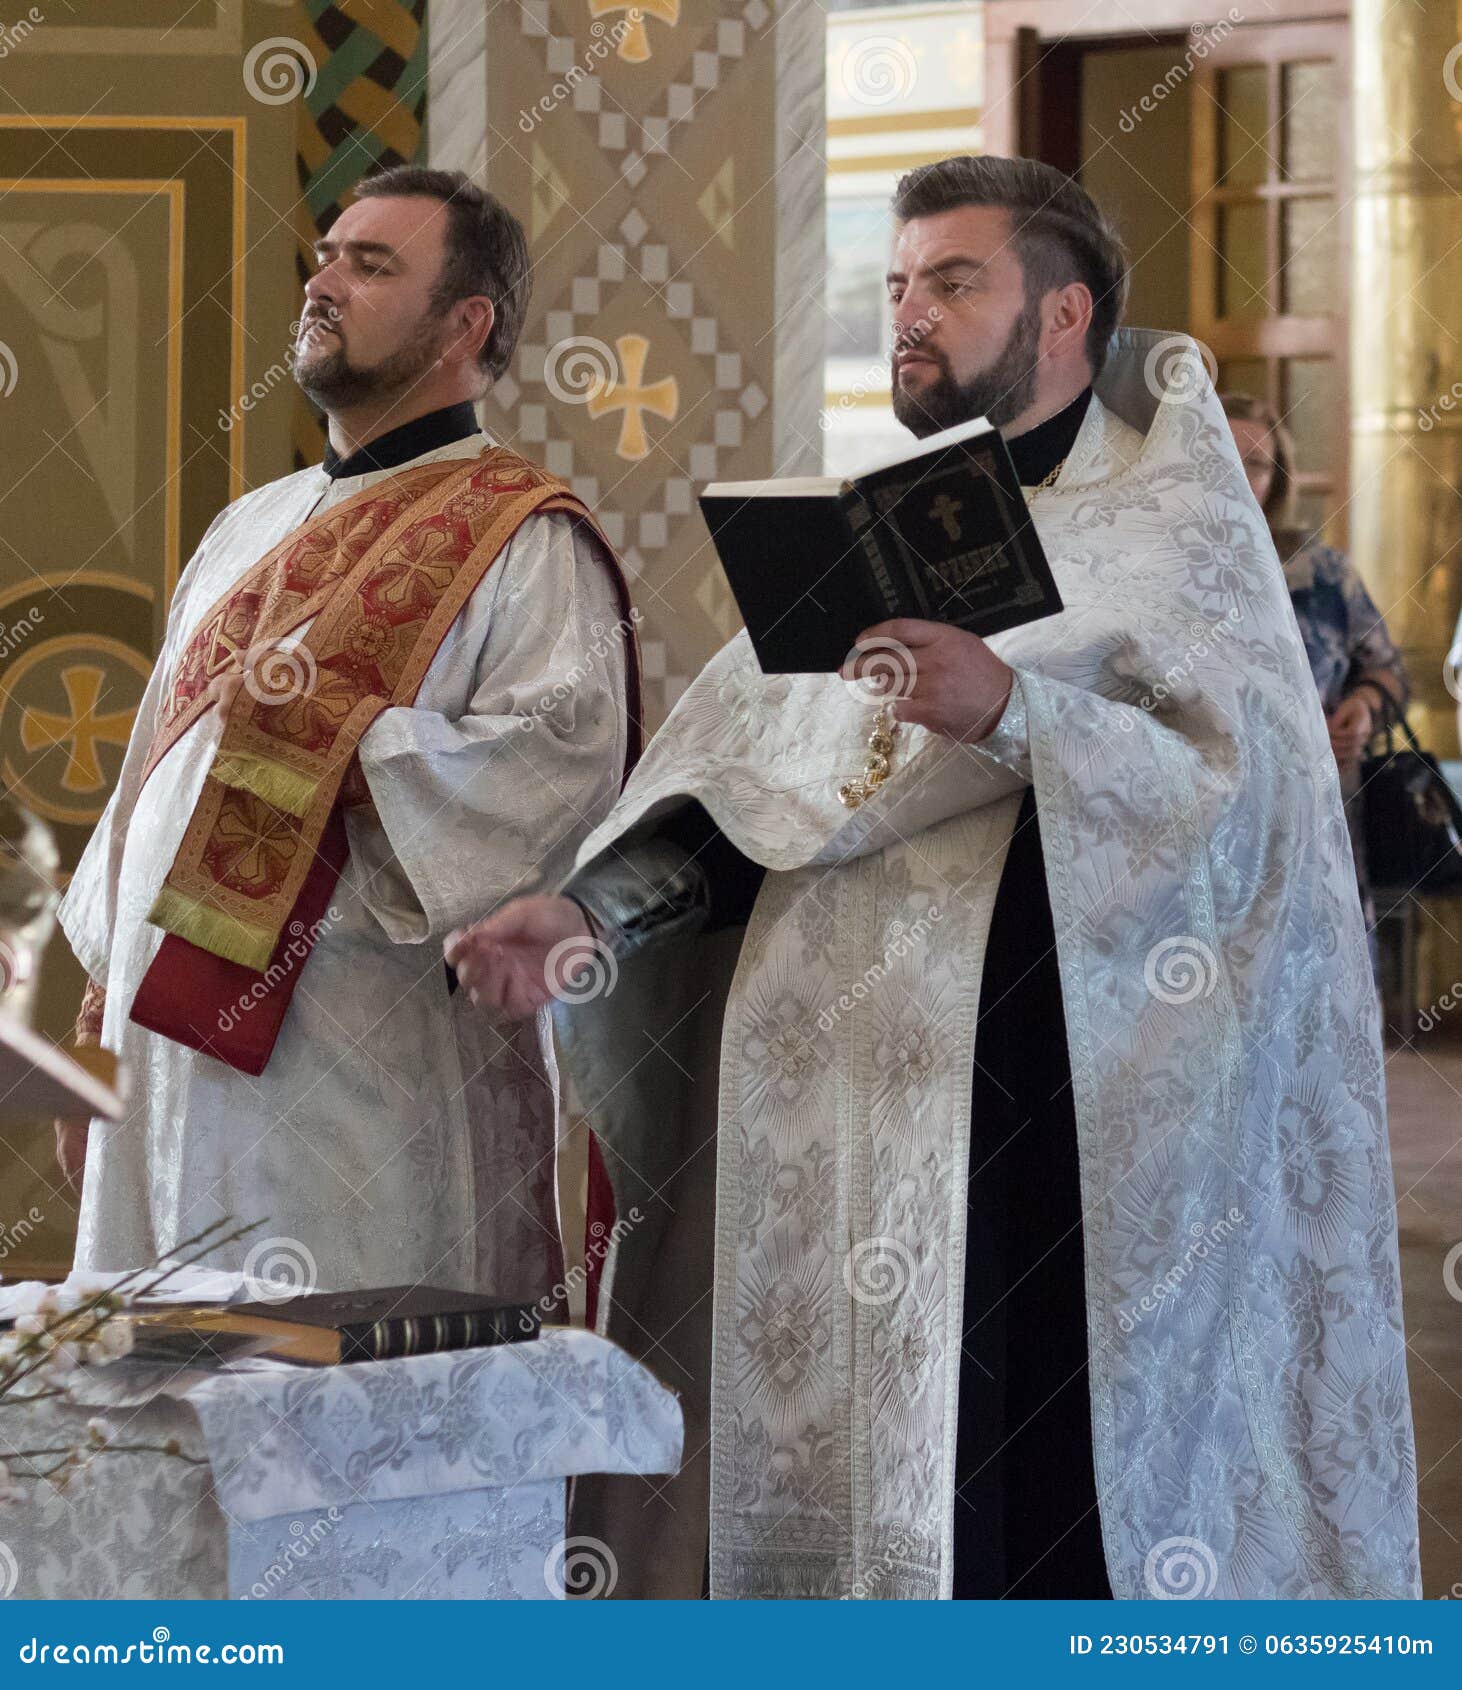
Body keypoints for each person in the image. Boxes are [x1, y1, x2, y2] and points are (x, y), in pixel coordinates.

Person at [447, 156, 1420, 1600]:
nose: (910, 313)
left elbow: (1248, 806)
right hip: (818, 1108)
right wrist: (589, 913)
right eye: (898, 286)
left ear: (1066, 312)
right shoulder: (863, 523)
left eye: (953, 283)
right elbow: (745, 786)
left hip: (1046, 1104)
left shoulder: (1170, 540)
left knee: (1013, 1479)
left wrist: (1016, 711)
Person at [54, 166, 639, 1302]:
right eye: (326, 256)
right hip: (163, 1068)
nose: (324, 283)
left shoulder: (524, 539)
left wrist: (331, 740)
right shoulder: (248, 523)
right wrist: (94, 1037)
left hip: (361, 1071)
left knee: (339, 1414)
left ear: (465, 325)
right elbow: (145, 791)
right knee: (173, 1415)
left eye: (372, 266)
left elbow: (558, 768)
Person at [1222, 392, 1407, 957]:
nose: (1239, 471)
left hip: (1322, 816)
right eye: (1223, 452)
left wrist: (1364, 708)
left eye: (1256, 463)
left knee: (1326, 981)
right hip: (1215, 817)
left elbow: (1388, 669)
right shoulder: (1165, 565)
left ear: (1275, 479)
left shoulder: (1322, 572)